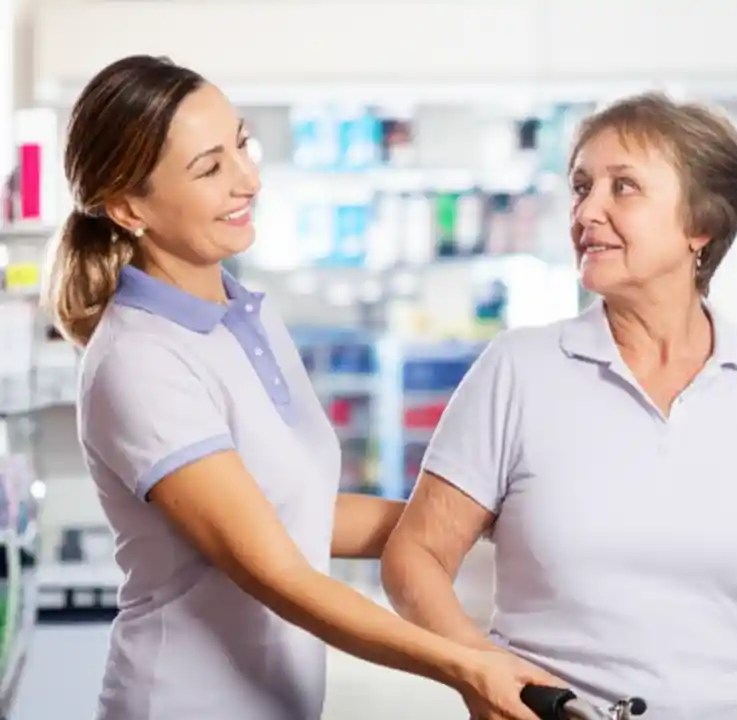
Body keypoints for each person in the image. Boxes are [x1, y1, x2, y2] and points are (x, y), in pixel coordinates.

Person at [380, 92, 737, 719]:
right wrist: (475, 665)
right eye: (581, 187)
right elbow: (417, 555)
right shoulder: (519, 370)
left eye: (622, 188)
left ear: (699, 226)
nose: (586, 212)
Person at [47, 55, 558, 720]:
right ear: (127, 206)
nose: (247, 179)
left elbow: (300, 512)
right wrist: (464, 665)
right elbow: (277, 575)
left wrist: (486, 520)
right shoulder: (140, 361)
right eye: (209, 168)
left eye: (240, 144)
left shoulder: (245, 314)